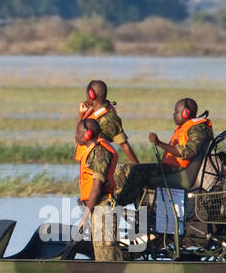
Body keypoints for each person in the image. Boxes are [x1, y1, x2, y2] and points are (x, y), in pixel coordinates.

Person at [113, 98, 212, 206]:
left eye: (176, 112)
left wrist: (159, 143)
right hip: (171, 168)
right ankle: (132, 208)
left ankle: (119, 206)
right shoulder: (189, 127)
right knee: (124, 169)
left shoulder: (198, 129)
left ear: (185, 113)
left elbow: (188, 152)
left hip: (179, 172)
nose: (174, 115)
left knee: (136, 171)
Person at [74, 117, 121, 261]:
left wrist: (85, 216)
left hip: (103, 207)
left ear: (87, 135)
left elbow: (96, 187)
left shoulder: (100, 153)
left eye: (78, 132)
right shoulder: (92, 149)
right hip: (97, 207)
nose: (75, 136)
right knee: (100, 251)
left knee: (106, 253)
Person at [80, 80, 139, 165]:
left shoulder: (109, 119)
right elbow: (79, 138)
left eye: (87, 94)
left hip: (99, 167)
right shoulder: (91, 112)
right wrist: (81, 115)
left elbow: (124, 145)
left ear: (91, 94)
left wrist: (138, 168)